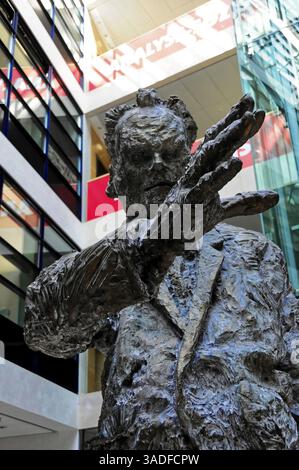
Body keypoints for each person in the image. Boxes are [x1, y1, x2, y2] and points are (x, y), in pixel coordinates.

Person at [24, 89, 299, 449]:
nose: (157, 165)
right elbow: (41, 325)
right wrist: (153, 242)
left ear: (189, 162)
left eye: (170, 153)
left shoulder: (257, 252)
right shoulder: (105, 266)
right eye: (140, 156)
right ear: (115, 179)